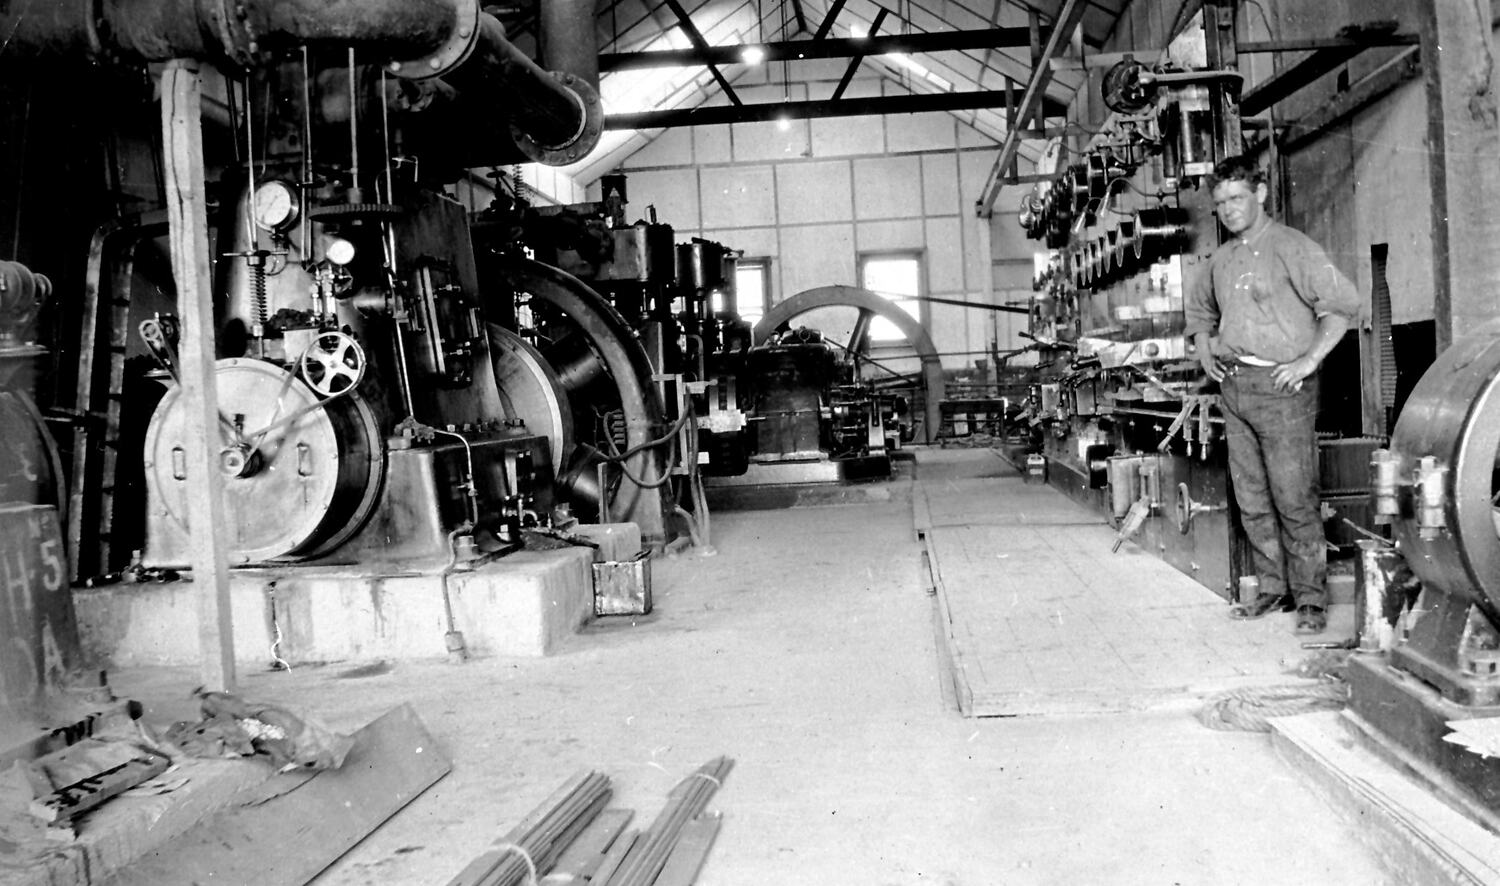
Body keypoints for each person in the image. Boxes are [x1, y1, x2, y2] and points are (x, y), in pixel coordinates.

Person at [1183, 155, 1360, 635]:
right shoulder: (1221, 260)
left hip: (1284, 390)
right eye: (1219, 202)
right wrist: (1205, 353)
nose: (1228, 209)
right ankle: (1273, 588)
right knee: (1253, 498)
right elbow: (1199, 313)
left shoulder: (1292, 247)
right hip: (1235, 388)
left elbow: (1342, 308)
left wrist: (1307, 362)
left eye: (1237, 197)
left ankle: (1310, 600)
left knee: (1294, 497)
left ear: (1259, 194)